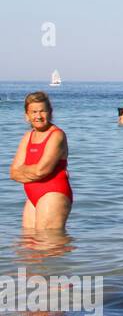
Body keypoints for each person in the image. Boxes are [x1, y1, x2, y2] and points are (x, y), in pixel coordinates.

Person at [9, 92, 73, 231]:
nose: (38, 116)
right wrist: (31, 170)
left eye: (42, 111)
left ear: (50, 112)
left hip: (53, 194)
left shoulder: (57, 135)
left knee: (48, 245)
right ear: (27, 116)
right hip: (32, 197)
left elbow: (41, 171)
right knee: (28, 244)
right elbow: (13, 173)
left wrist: (24, 169)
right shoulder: (28, 136)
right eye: (34, 112)